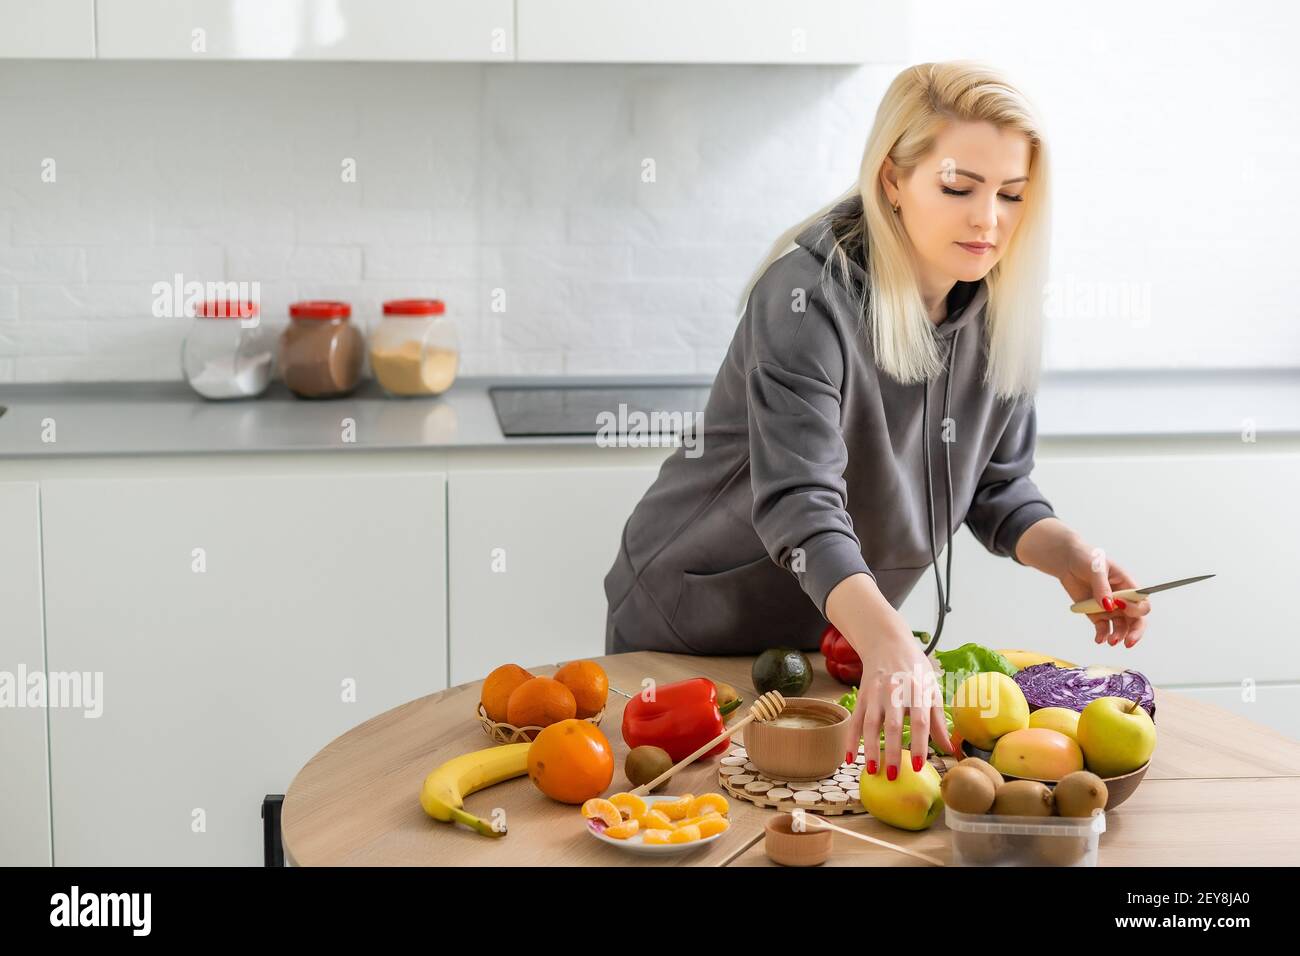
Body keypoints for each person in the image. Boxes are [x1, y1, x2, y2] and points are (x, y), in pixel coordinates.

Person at [602, 61, 1151, 783]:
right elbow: (801, 506)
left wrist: (1065, 551)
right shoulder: (803, 298)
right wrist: (890, 640)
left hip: (834, 633)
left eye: (1012, 194)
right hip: (693, 624)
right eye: (959, 187)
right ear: (893, 178)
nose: (989, 219)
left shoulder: (996, 305)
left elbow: (997, 487)